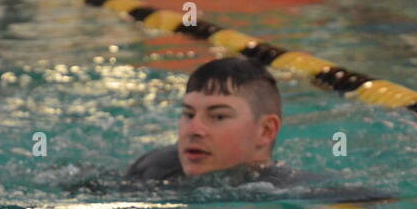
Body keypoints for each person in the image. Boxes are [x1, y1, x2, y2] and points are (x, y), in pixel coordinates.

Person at [125, 57, 301, 186]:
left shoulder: (299, 192)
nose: (193, 130)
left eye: (218, 116)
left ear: (266, 131)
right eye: (189, 114)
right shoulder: (154, 171)